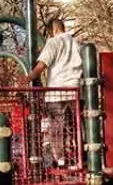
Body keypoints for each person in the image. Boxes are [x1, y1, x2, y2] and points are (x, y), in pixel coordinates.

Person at [21, 18, 82, 168]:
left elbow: (42, 64)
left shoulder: (53, 42)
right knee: (75, 126)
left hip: (57, 90)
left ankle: (60, 159)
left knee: (56, 127)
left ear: (51, 30)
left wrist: (28, 78)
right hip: (75, 89)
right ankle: (80, 157)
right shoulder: (77, 44)